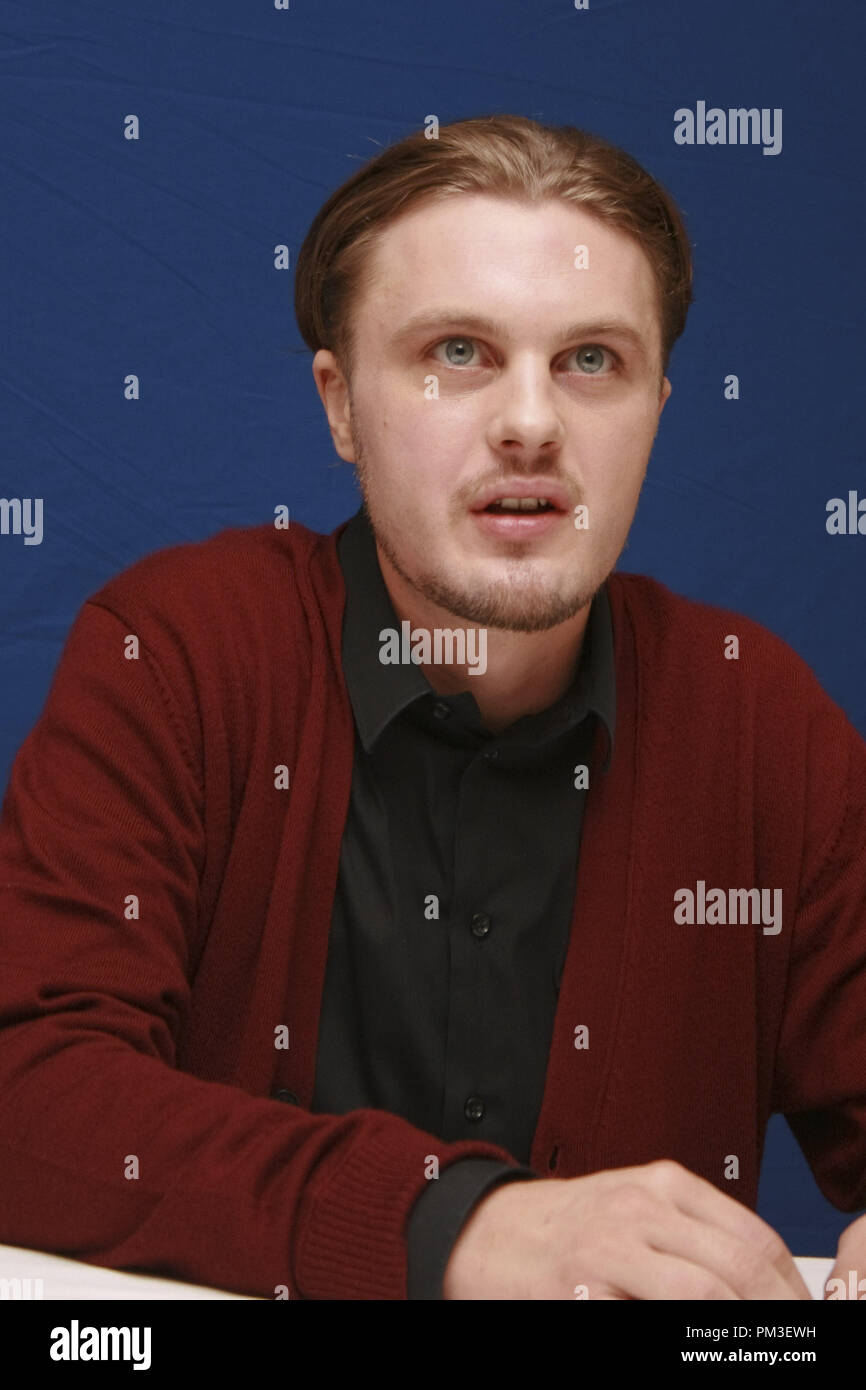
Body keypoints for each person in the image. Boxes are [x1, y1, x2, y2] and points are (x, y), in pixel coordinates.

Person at [0, 114, 864, 1301]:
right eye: (457, 352)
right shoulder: (182, 654)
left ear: (658, 404)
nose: (529, 423)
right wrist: (454, 1226)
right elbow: (29, 1088)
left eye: (590, 361)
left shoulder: (753, 717)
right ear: (340, 404)